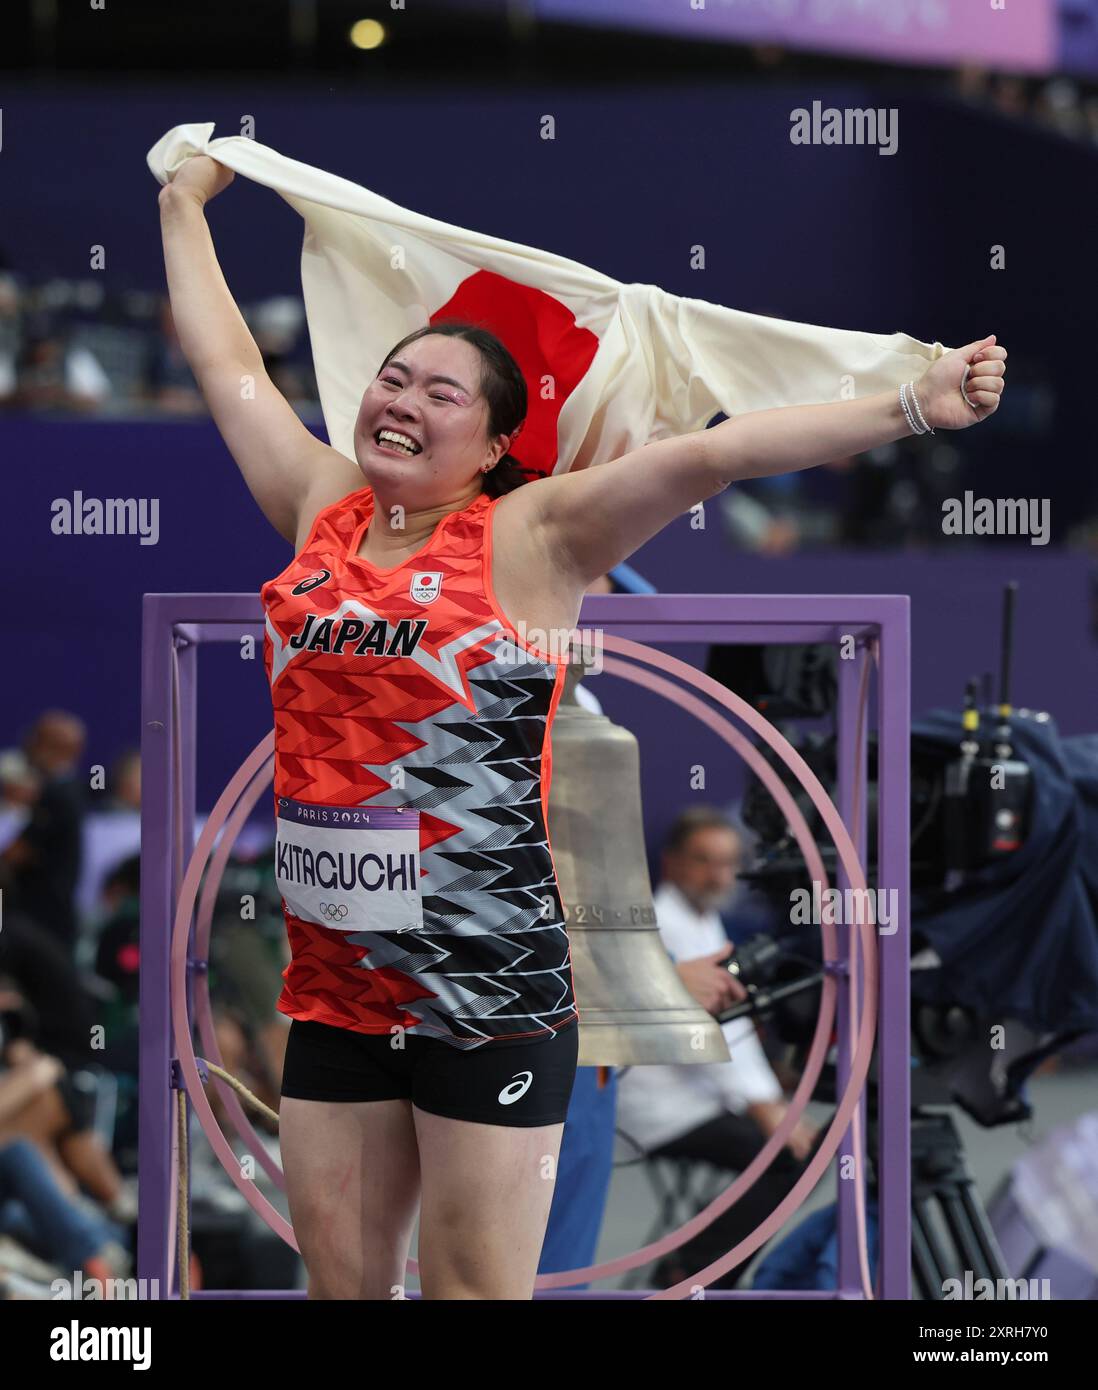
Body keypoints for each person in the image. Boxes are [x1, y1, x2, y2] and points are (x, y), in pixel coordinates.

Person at [157, 152, 1007, 1300]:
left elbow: (712, 452)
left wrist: (913, 404)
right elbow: (228, 366)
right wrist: (181, 203)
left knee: (470, 1293)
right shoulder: (320, 507)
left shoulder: (534, 538)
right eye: (392, 378)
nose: (399, 399)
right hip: (336, 989)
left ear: (500, 445)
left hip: (487, 993)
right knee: (341, 1295)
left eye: (439, 393)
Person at [617, 807, 816, 1287]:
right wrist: (765, 1106)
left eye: (727, 862)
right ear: (672, 863)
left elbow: (730, 1029)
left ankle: (701, 1266)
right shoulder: (664, 923)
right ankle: (693, 1272)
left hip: (695, 1098)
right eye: (704, 860)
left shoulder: (703, 922)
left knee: (796, 1155)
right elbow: (705, 1035)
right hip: (657, 1109)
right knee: (786, 1159)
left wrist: (768, 1100)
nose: (717, 874)